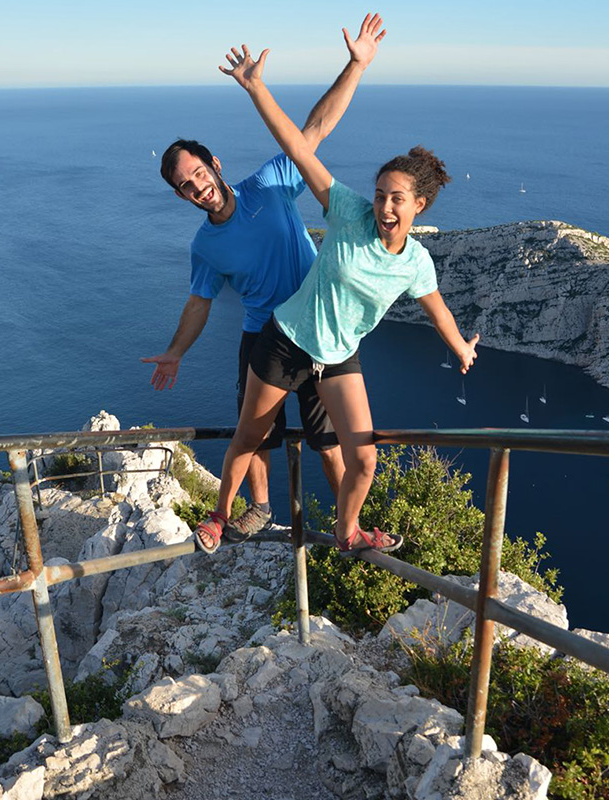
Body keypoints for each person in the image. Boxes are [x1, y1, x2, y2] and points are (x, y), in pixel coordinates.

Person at [193, 42, 479, 555]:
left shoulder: (416, 262)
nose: (384, 206)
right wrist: (257, 87)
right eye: (380, 193)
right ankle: (219, 516)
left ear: (420, 204)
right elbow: (301, 147)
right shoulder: (348, 212)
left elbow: (436, 309)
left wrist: (460, 347)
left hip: (336, 355)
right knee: (248, 437)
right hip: (285, 340)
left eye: (397, 199)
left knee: (362, 458)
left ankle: (348, 532)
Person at [143, 14, 388, 542]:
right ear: (181, 196)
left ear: (216, 164)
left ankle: (351, 525)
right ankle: (258, 508)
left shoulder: (271, 183)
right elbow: (199, 302)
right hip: (264, 335)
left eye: (199, 174)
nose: (198, 187)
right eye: (186, 186)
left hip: (319, 325)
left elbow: (316, 129)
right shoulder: (204, 246)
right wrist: (175, 352)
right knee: (253, 435)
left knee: (327, 442)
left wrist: (356, 65)